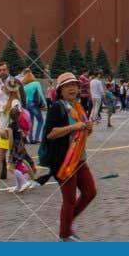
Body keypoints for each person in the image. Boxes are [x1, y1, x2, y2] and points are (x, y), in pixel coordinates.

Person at [41, 72, 96, 241]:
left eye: (74, 85)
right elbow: (50, 134)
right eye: (67, 86)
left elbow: (83, 133)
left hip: (80, 158)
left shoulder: (78, 107)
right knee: (70, 199)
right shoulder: (57, 108)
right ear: (60, 90)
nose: (72, 89)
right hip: (64, 161)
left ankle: (66, 223)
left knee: (90, 192)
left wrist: (88, 128)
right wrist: (73, 127)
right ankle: (64, 234)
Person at [22, 69, 46, 143]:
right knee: (40, 120)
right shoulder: (36, 83)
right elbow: (41, 94)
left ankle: (30, 138)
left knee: (31, 121)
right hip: (34, 104)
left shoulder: (25, 86)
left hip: (27, 105)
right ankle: (37, 138)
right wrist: (45, 104)